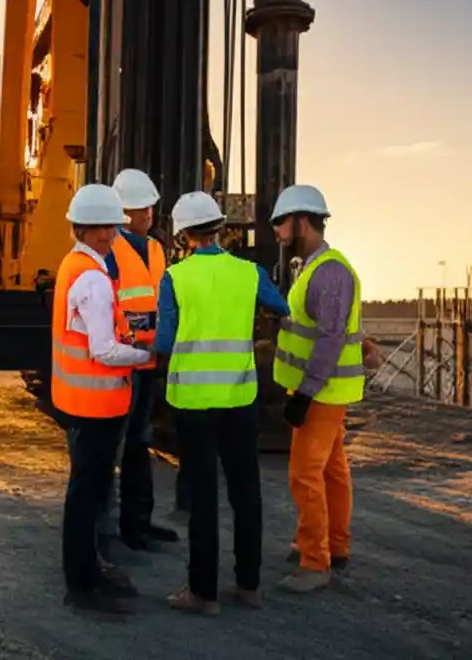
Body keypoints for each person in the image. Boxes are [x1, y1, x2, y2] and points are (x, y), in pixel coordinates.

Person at [155, 191, 291, 616]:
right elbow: (281, 306)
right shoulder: (249, 273)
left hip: (193, 400)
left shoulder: (175, 278)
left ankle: (203, 593)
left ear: (183, 235)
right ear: (219, 229)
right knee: (245, 490)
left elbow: (163, 342)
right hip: (239, 396)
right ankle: (249, 586)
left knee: (203, 495)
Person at [54, 183, 154, 615]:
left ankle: (88, 575)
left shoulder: (72, 265)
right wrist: (146, 354)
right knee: (87, 498)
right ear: (100, 232)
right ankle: (82, 586)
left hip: (80, 402)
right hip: (97, 406)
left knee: (86, 495)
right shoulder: (94, 278)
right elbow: (103, 350)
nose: (116, 234)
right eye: (113, 227)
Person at [270, 184, 365, 594]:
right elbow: (311, 331)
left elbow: (329, 338)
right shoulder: (312, 267)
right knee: (331, 470)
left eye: (280, 223)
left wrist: (305, 394)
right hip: (324, 389)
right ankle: (335, 547)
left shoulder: (329, 273)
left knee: (304, 474)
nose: (275, 231)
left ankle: (315, 562)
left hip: (322, 393)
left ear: (301, 222)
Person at [90, 168, 181, 554]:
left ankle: (137, 523)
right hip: (121, 363)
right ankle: (107, 531)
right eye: (146, 207)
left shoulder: (157, 249)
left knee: (139, 444)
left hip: (147, 362)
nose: (151, 213)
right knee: (115, 447)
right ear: (130, 212)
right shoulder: (110, 251)